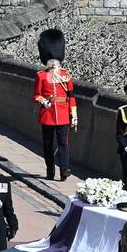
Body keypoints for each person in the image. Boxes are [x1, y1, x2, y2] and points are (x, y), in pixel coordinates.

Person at [34, 28, 77, 181]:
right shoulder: (41, 76)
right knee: (47, 145)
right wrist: (44, 102)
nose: (53, 62)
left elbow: (71, 96)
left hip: (64, 114)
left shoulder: (66, 76)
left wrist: (74, 116)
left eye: (55, 60)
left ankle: (65, 168)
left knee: (64, 143)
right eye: (51, 60)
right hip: (47, 115)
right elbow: (36, 95)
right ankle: (50, 169)